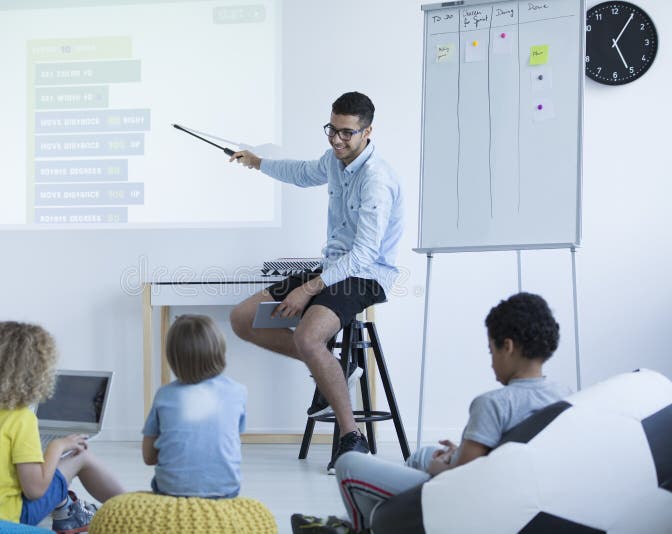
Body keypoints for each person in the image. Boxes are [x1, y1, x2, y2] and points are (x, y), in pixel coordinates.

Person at [292, 292, 572, 533]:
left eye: (491, 351)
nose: (491, 362)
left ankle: (357, 527)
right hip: (516, 496)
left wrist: (445, 466)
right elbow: (512, 452)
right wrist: (461, 452)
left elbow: (462, 482)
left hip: (466, 505)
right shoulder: (564, 396)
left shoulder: (493, 403)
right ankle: (351, 522)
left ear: (507, 347)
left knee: (349, 464)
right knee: (423, 455)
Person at [228, 91, 405, 471]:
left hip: (366, 274)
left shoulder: (377, 181)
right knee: (243, 318)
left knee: (309, 337)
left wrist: (308, 288)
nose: (336, 140)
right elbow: (302, 172)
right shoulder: (334, 160)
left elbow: (363, 255)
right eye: (332, 130)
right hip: (333, 268)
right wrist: (256, 162)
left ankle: (350, 435)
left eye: (346, 133)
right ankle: (336, 368)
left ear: (367, 132)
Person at [0, 321, 125, 532]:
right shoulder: (21, 419)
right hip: (2, 520)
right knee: (81, 457)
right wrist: (57, 447)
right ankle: (131, 508)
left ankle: (68, 512)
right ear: (37, 373)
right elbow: (35, 489)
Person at [143, 314, 247, 498]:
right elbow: (231, 441)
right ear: (220, 351)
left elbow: (148, 457)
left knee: (158, 480)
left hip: (171, 490)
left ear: (172, 357)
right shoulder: (237, 392)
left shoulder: (164, 395)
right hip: (225, 490)